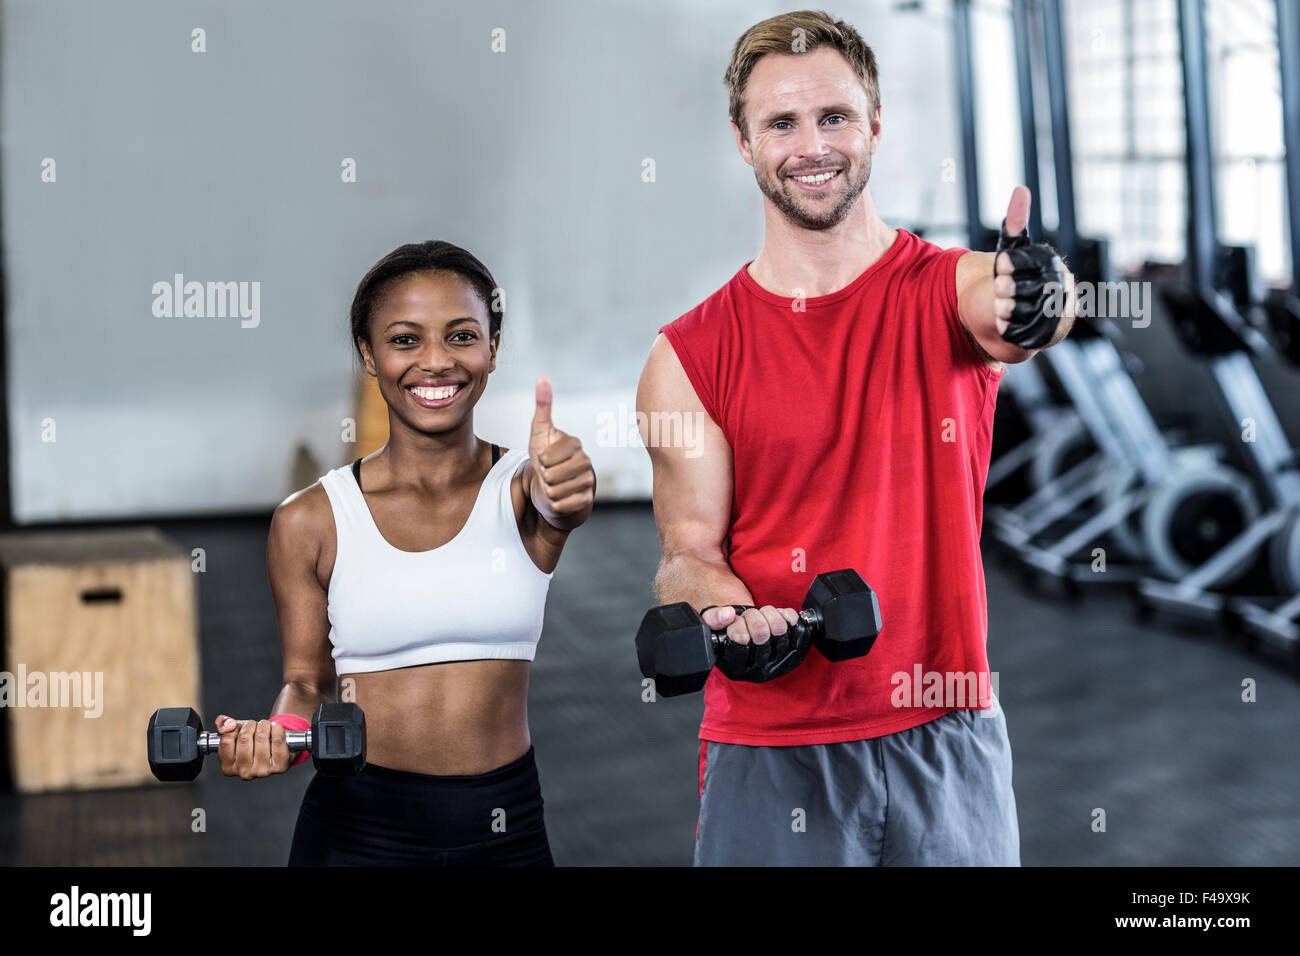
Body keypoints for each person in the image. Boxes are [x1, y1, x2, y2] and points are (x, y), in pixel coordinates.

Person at [636, 10, 1075, 865]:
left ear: (875, 123)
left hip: (947, 727)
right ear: (743, 142)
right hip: (770, 745)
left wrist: (1041, 293)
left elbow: (1019, 311)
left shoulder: (948, 291)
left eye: (834, 116)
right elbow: (687, 550)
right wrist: (728, 613)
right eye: (782, 123)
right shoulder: (688, 355)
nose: (813, 147)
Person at [214, 240, 596, 866]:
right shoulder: (310, 519)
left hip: (505, 829)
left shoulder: (524, 491)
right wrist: (279, 736)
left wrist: (569, 484)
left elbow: (562, 504)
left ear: (493, 348)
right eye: (405, 340)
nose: (436, 362)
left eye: (461, 336)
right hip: (356, 832)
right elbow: (306, 683)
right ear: (369, 355)